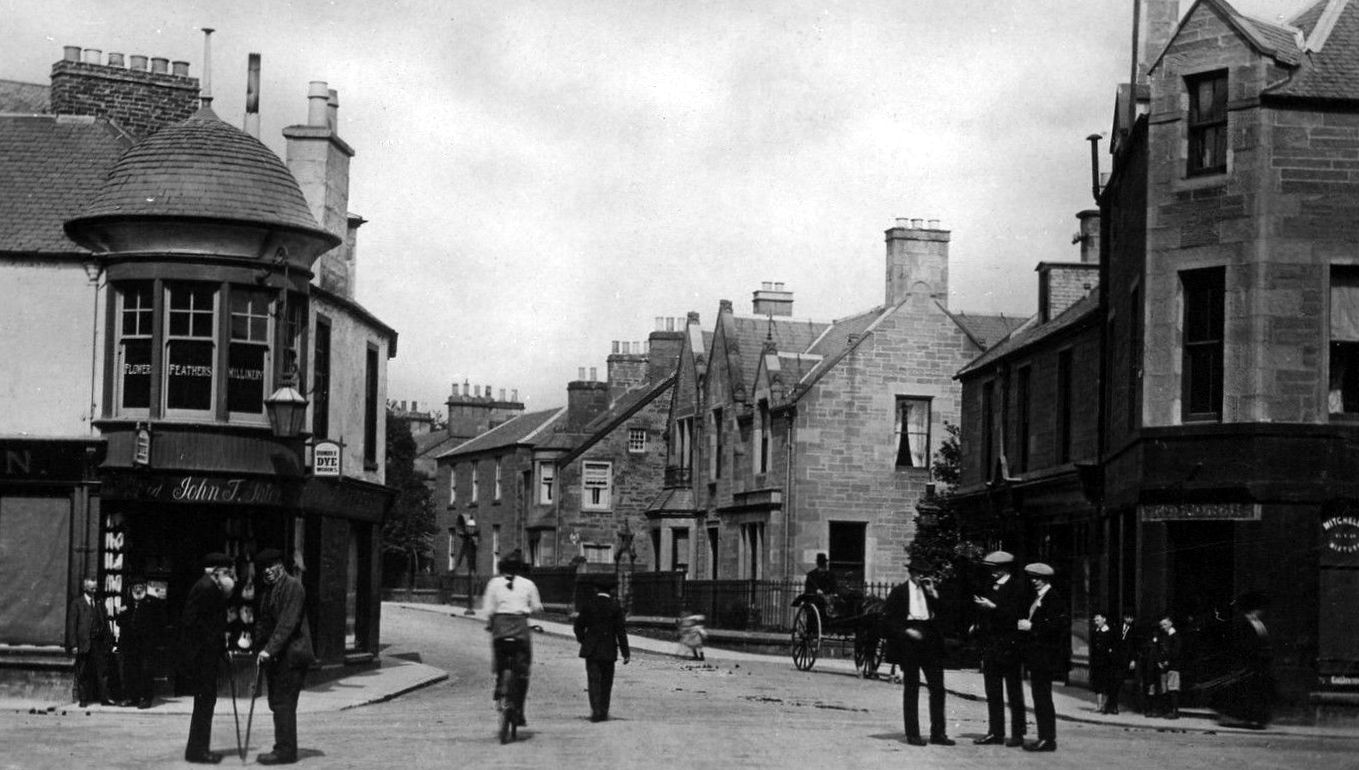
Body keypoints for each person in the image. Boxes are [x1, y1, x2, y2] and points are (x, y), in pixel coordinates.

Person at [882, 554, 953, 746]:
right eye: (918, 573)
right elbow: (887, 620)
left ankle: (938, 733)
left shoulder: (930, 592)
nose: (921, 576)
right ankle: (913, 734)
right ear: (911, 573)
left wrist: (934, 594)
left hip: (929, 638)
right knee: (912, 687)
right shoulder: (899, 592)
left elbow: (946, 614)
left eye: (924, 573)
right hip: (909, 640)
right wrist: (906, 631)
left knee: (938, 688)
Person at [253, 548, 314, 766]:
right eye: (264, 568)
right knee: (277, 702)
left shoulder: (293, 587)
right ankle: (283, 747)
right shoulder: (269, 590)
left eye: (271, 566)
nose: (267, 571)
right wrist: (258, 645)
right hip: (277, 657)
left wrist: (269, 649)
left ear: (281, 565)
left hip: (292, 656)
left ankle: (285, 751)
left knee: (283, 704)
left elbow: (287, 623)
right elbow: (264, 621)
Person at [181, 553, 235, 765]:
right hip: (203, 658)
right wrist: (213, 648)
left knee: (205, 703)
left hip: (206, 656)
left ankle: (198, 749)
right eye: (228, 573)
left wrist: (221, 648)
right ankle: (198, 751)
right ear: (217, 572)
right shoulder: (207, 588)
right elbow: (194, 624)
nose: (231, 577)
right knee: (204, 703)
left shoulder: (209, 587)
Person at [970, 550, 1027, 747]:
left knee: (1013, 690)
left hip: (1009, 645)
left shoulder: (1017, 588)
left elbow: (1016, 614)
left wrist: (993, 607)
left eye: (995, 569)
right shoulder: (990, 586)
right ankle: (996, 732)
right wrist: (978, 621)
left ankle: (1018, 733)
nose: (992, 573)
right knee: (993, 691)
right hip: (991, 645)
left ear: (1005, 569)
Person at [481, 550, 542, 727]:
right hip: (520, 628)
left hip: (500, 626)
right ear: (520, 568)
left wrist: (491, 620)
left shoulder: (494, 583)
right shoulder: (528, 584)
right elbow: (537, 607)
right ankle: (520, 711)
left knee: (500, 657)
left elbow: (488, 609)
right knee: (522, 669)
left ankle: (500, 683)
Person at [1018, 562, 1068, 753]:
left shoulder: (1053, 598)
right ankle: (1044, 736)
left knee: (1043, 697)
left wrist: (1032, 627)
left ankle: (1048, 738)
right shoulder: (1040, 597)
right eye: (1032, 578)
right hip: (1037, 656)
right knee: (1039, 697)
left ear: (1046, 579)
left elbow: (1057, 627)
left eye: (1038, 578)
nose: (1034, 581)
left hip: (1045, 656)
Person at [574, 574, 631, 722]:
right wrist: (626, 653)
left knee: (593, 681)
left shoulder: (589, 604)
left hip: (591, 649)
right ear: (611, 590)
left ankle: (596, 711)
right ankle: (604, 711)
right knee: (606, 682)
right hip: (609, 649)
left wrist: (584, 641)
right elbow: (621, 631)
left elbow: (578, 626)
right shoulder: (615, 606)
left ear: (596, 588)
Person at [1218, 590, 1274, 729]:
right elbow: (1242, 646)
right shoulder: (1243, 624)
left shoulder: (1259, 624)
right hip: (1248, 666)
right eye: (1259, 609)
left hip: (1258, 667)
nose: (1262, 612)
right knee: (1246, 693)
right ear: (1254, 610)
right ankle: (1244, 719)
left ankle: (1254, 719)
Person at [117, 575, 166, 709]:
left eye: (140, 587)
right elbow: (119, 622)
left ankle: (145, 698)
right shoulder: (127, 603)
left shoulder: (153, 602)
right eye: (135, 587)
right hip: (130, 646)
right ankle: (131, 698)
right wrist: (121, 613)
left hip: (146, 646)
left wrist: (155, 641)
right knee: (130, 671)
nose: (138, 590)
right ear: (132, 589)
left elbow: (160, 624)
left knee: (146, 672)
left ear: (144, 588)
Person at [66, 576, 113, 707]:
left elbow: (105, 623)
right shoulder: (77, 604)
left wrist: (108, 641)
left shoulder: (99, 603)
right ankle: (83, 699)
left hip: (99, 643)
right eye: (91, 588)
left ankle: (104, 698)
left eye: (95, 587)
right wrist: (73, 644)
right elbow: (72, 626)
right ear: (85, 588)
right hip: (84, 644)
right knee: (83, 672)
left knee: (102, 672)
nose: (94, 590)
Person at [1106, 610, 1137, 715]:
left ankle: (1112, 704)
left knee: (1118, 682)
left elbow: (1134, 647)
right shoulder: (1117, 628)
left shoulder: (1133, 630)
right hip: (1115, 659)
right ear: (1124, 618)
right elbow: (1112, 642)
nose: (1130, 620)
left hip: (1125, 660)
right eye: (1128, 617)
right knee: (1112, 682)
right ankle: (1111, 705)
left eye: (1131, 618)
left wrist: (1133, 660)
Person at [1153, 614, 1184, 719]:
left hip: (1173, 667)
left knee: (1173, 689)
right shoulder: (1163, 636)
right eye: (1162, 625)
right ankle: (1166, 710)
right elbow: (1158, 650)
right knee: (1164, 689)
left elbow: (1176, 651)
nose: (1163, 627)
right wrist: (1159, 661)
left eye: (1165, 624)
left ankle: (1175, 711)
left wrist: (1168, 661)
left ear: (1170, 623)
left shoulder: (1175, 636)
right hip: (1163, 667)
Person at [1089, 612, 1117, 714]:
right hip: (1097, 662)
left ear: (1104, 620)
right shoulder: (1095, 632)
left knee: (1107, 683)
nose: (1096, 623)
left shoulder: (1110, 632)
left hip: (1107, 662)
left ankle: (1107, 705)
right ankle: (1099, 705)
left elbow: (1113, 647)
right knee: (1098, 684)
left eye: (1098, 620)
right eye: (1095, 621)